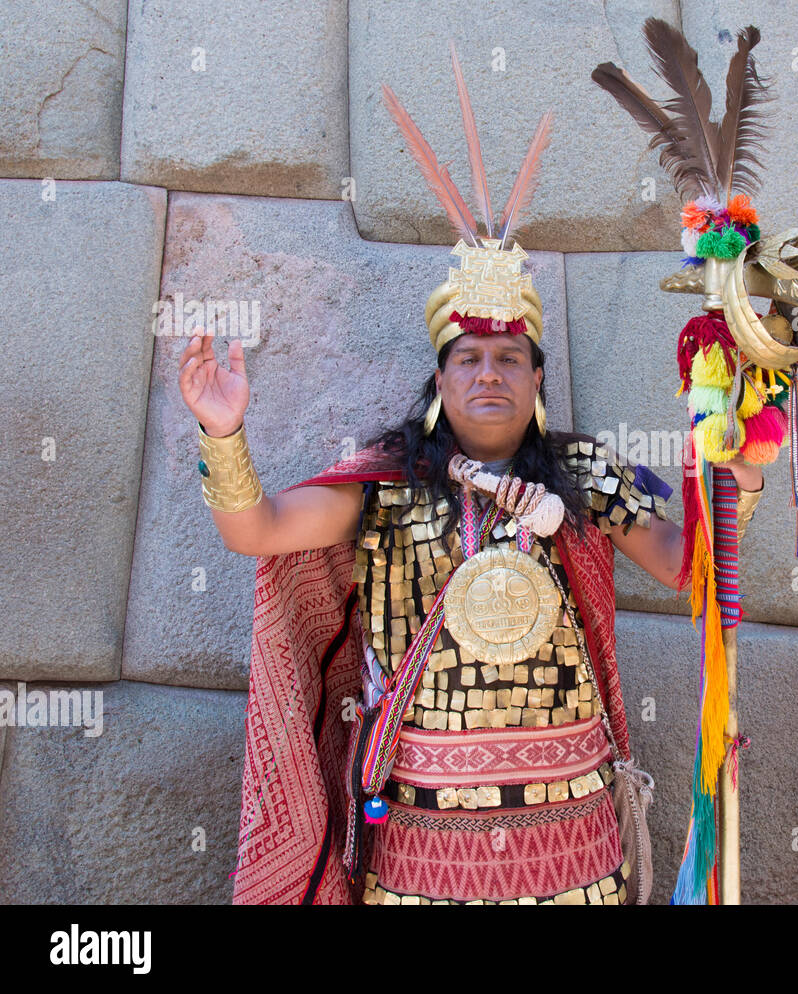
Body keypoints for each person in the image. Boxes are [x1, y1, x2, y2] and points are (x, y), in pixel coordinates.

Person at [179, 290, 764, 905]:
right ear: (440, 378)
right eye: (469, 359)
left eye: (510, 358)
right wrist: (223, 433)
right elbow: (258, 530)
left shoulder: (585, 472)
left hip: (570, 820)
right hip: (419, 821)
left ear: (537, 377)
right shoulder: (386, 482)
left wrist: (740, 469)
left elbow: (688, 566)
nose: (489, 373)